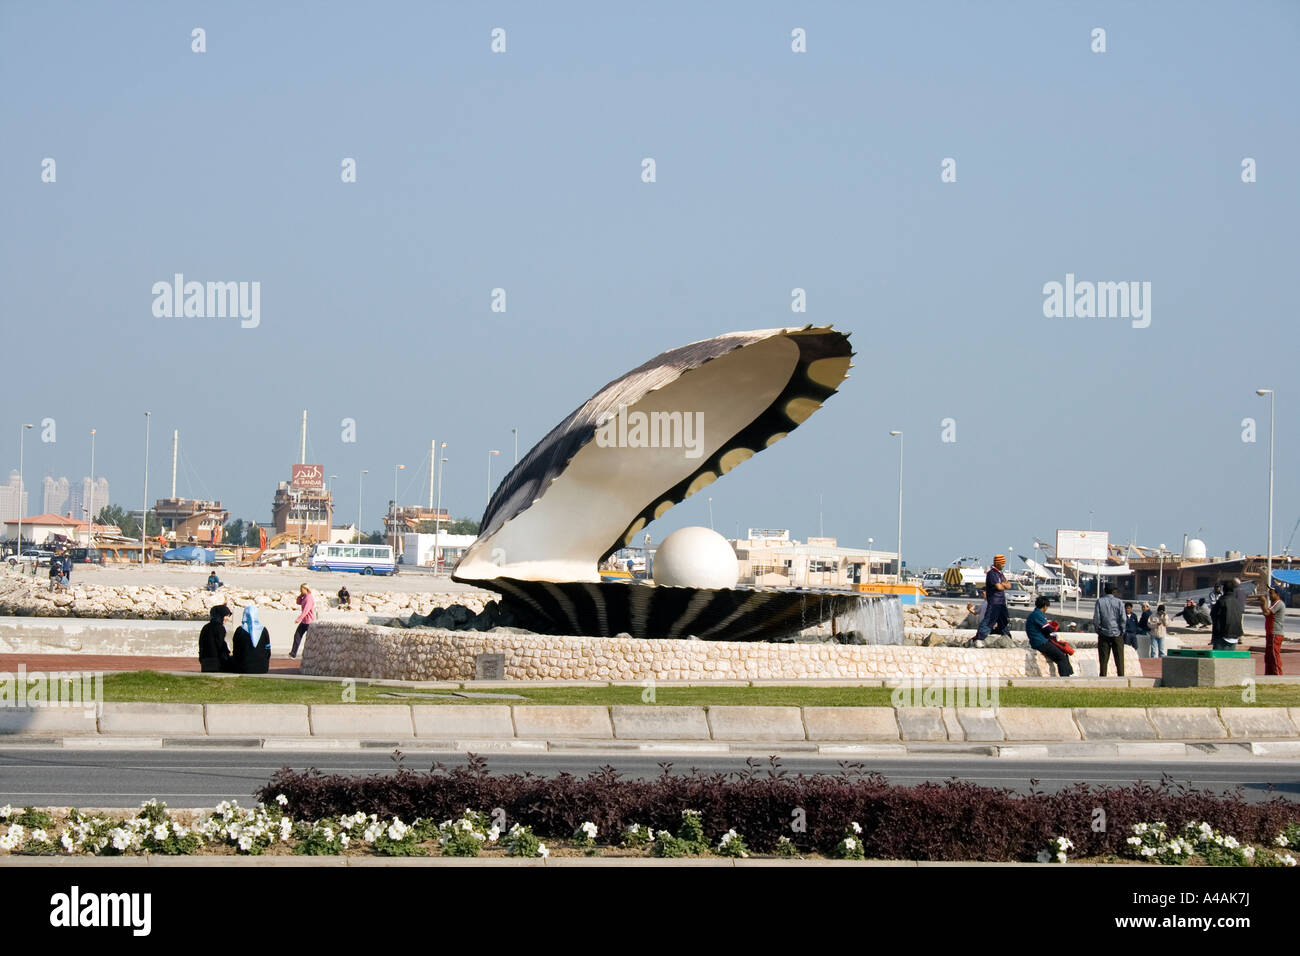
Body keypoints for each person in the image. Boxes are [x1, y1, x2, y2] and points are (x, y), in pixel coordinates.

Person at [1026, 595, 1073, 676]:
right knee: (1060, 657)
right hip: (1040, 642)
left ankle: (1070, 673)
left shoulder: (1036, 614)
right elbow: (1048, 629)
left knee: (1064, 653)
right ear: (1044, 606)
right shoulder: (1038, 615)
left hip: (1043, 640)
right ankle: (1065, 678)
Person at [973, 554, 1012, 647]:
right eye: (1002, 563)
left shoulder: (1000, 573)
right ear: (997, 563)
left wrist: (1003, 584)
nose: (1003, 565)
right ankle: (979, 638)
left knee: (1004, 621)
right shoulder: (992, 573)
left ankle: (1008, 638)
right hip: (994, 602)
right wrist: (1003, 585)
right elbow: (998, 587)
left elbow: (1009, 585)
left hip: (1001, 602)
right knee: (989, 620)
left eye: (1004, 563)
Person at [1093, 584, 1127, 676]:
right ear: (1114, 592)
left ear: (1105, 591)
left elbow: (1096, 618)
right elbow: (1123, 618)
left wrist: (1098, 630)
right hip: (1117, 633)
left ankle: (1103, 677)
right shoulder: (1119, 602)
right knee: (1119, 659)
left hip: (1104, 633)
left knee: (1103, 659)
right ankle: (1121, 677)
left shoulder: (1100, 602)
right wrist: (1122, 630)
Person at [231, 602, 271, 674]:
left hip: (243, 667)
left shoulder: (240, 630)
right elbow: (268, 650)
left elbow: (236, 650)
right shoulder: (263, 630)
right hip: (262, 668)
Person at [1210, 579, 1244, 651]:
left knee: (1219, 658)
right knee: (1230, 658)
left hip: (1223, 635)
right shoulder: (1237, 601)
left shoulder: (1222, 601)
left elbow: (1213, 614)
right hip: (1235, 634)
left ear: (1224, 589)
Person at [1259, 586, 1286, 676]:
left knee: (1274, 656)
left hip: (1275, 633)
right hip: (1271, 633)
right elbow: (1266, 613)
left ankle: (1278, 674)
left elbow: (1267, 612)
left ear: (1277, 594)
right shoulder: (1274, 604)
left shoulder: (1278, 603)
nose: (1269, 595)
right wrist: (1262, 603)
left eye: (1271, 593)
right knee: (1269, 656)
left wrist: (1264, 602)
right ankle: (1269, 674)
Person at [198, 604, 234, 672]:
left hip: (205, 663)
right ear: (220, 616)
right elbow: (220, 646)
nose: (227, 618)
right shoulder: (219, 628)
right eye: (226, 616)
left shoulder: (206, 627)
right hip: (216, 663)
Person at [290, 583, 315, 658]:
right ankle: (293, 653)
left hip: (309, 622)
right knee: (297, 635)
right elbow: (298, 602)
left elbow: (306, 611)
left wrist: (299, 619)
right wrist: (300, 596)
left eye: (302, 589)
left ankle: (311, 655)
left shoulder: (309, 598)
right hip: (304, 621)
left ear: (306, 589)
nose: (300, 590)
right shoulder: (305, 597)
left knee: (310, 639)